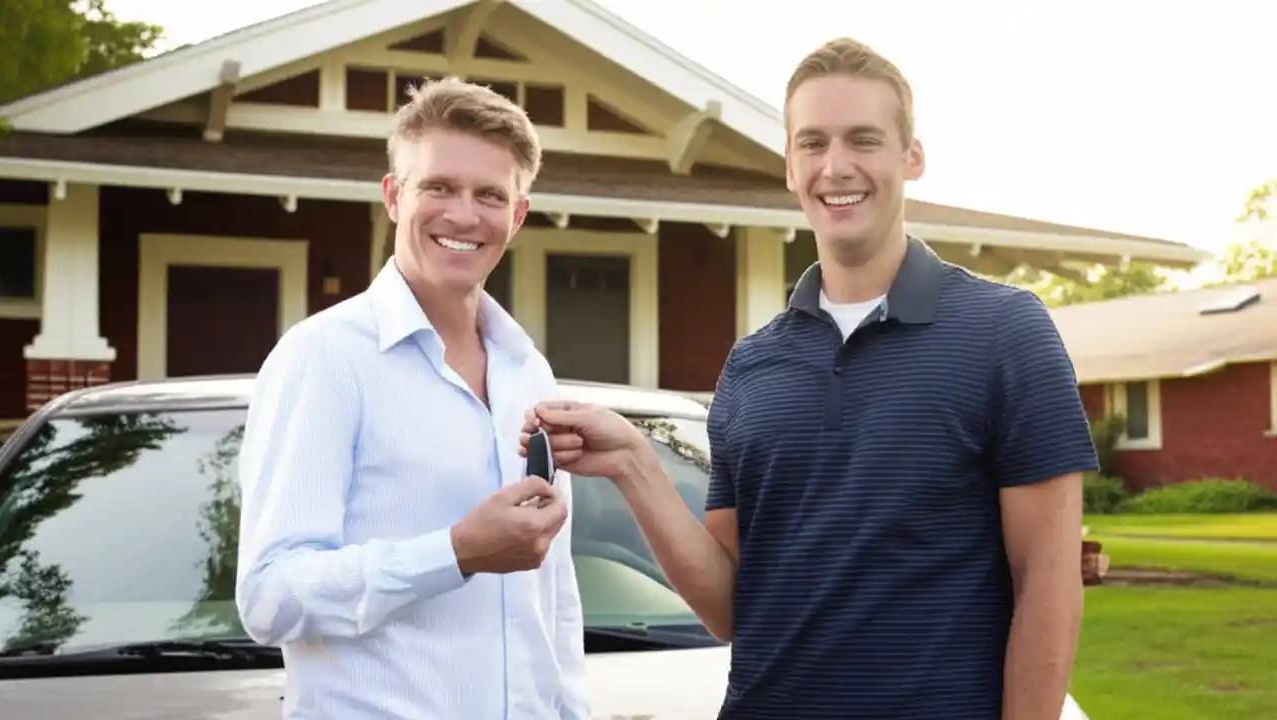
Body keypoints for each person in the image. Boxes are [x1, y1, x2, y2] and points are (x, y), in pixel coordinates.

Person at [522, 37, 1096, 720]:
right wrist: (633, 464)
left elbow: (1049, 584)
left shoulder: (1006, 333)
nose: (837, 166)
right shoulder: (752, 365)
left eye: (864, 140)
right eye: (814, 144)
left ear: (911, 158)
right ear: (790, 167)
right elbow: (733, 608)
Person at [235, 77, 588, 719]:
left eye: (489, 195)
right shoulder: (324, 359)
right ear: (395, 197)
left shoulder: (529, 371)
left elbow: (554, 604)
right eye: (439, 187)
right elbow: (269, 597)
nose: (463, 214)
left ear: (518, 215)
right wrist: (455, 552)